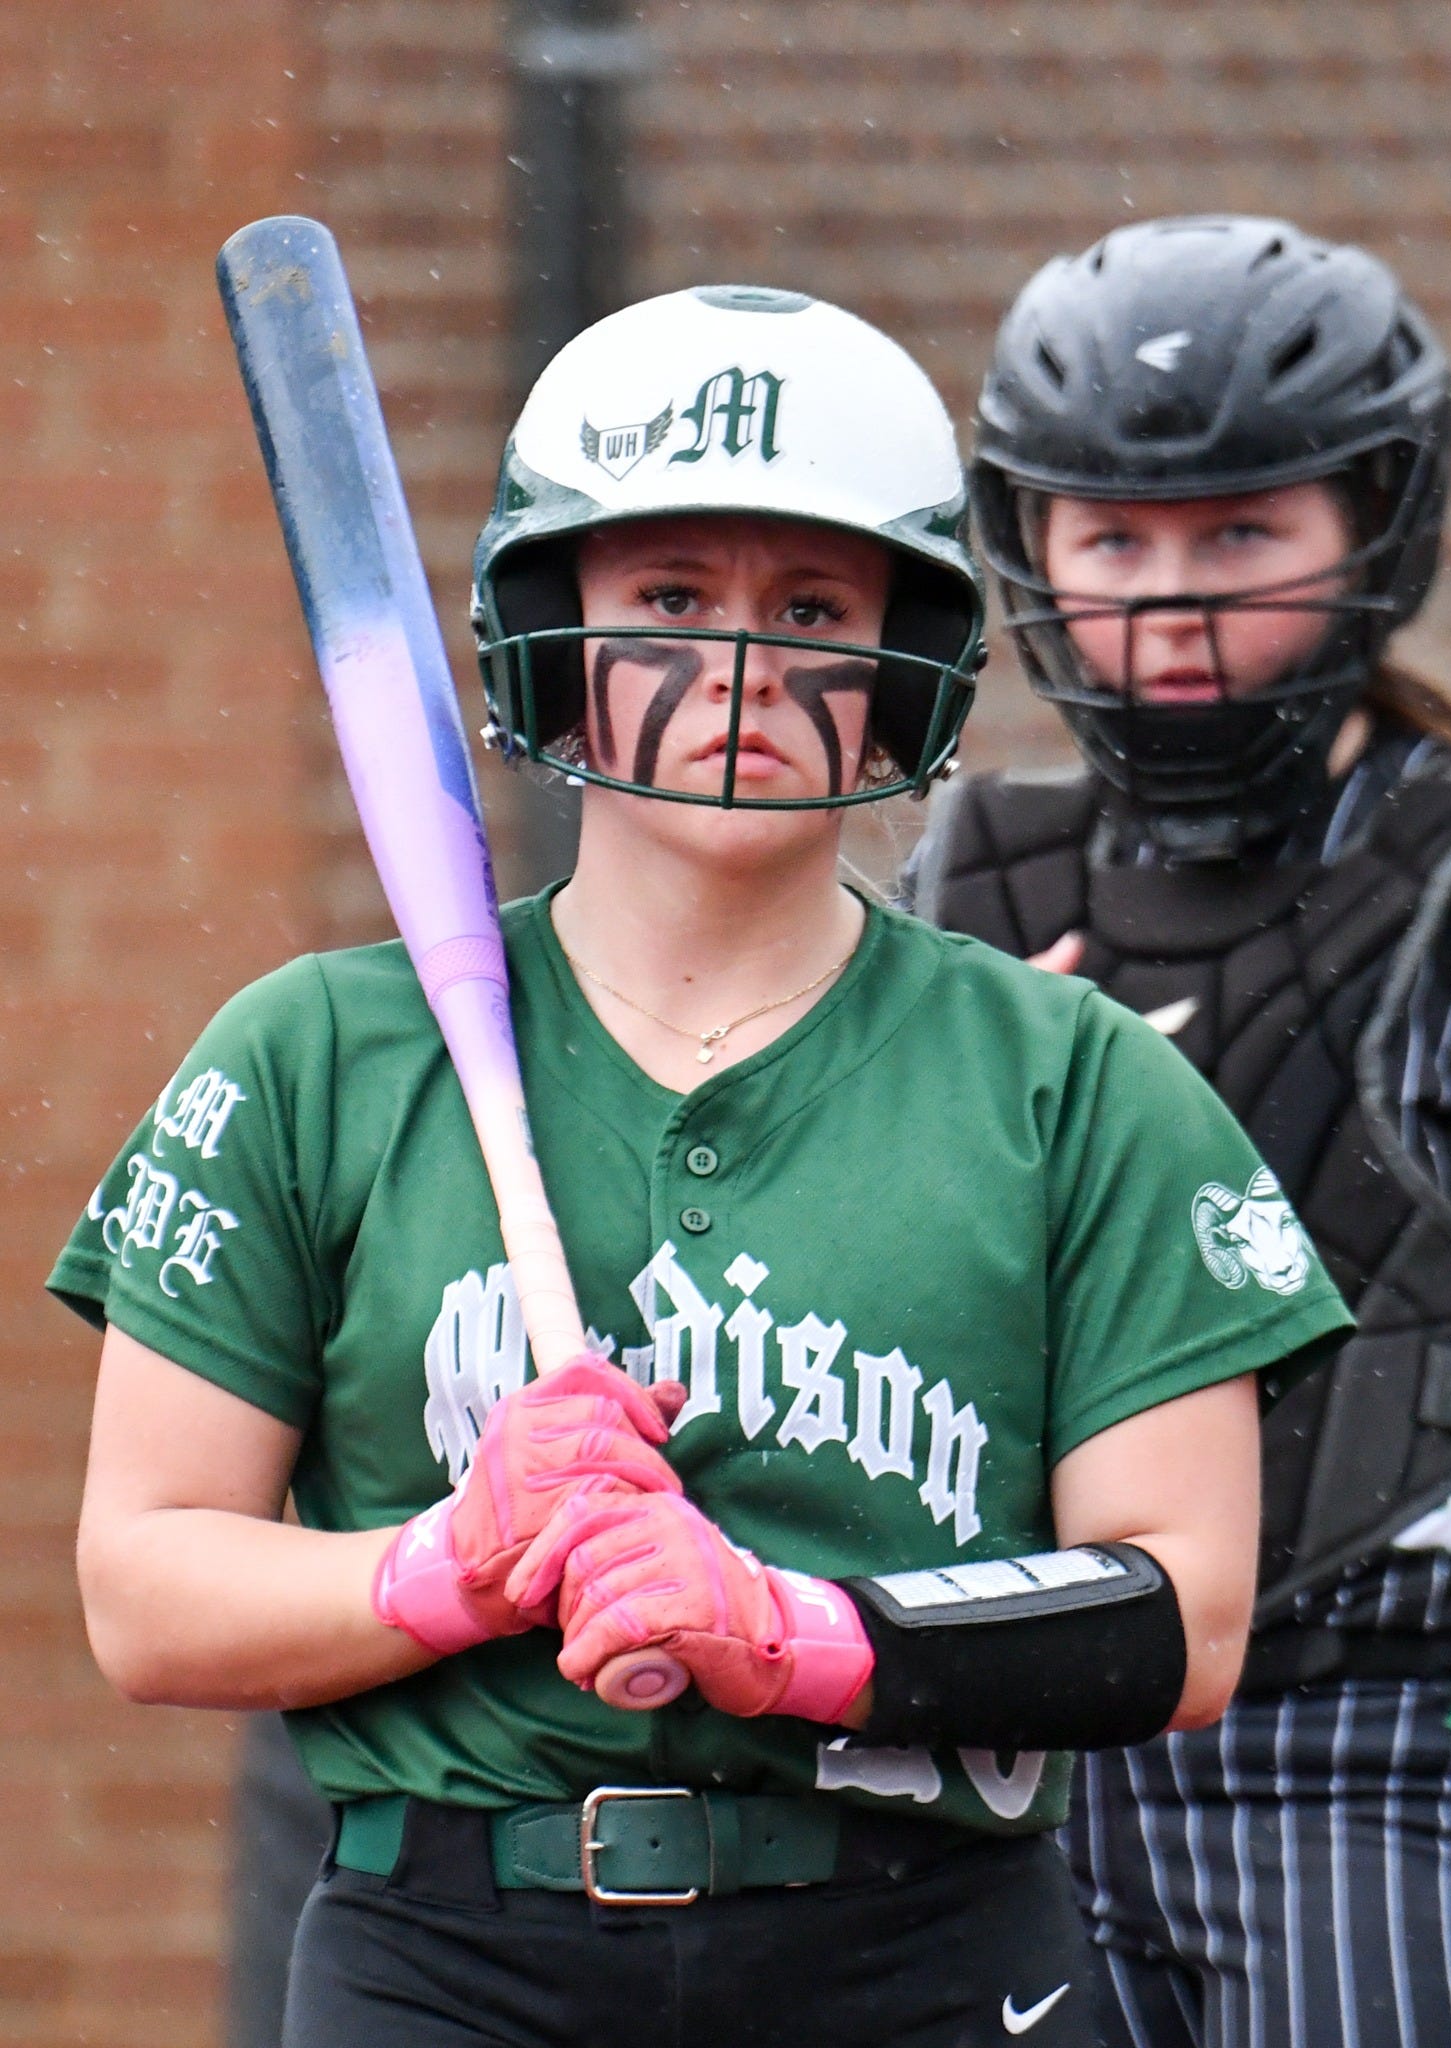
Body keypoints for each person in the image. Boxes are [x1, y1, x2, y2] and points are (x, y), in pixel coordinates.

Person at [53, 280, 1349, 2048]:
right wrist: (446, 1565)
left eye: (812, 606)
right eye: (668, 597)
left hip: (926, 1945)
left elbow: (1181, 1622)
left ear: (909, 661)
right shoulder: (314, 1059)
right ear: (553, 635)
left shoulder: (1075, 1084)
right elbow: (144, 1591)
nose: (741, 667)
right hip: (450, 1954)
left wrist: (793, 1631)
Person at [911, 214, 1451, 2048]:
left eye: (1243, 536)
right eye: (1117, 541)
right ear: (1032, 548)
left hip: (1403, 1764)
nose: (1170, 606)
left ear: (1371, 531)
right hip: (1038, 1770)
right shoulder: (974, 880)